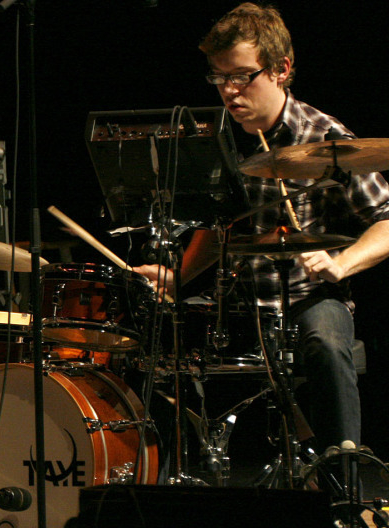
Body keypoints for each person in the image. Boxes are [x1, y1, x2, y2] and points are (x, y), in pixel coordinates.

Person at [135, 3, 389, 453]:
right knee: (148, 345)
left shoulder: (325, 137)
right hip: (235, 301)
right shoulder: (219, 137)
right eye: (219, 78)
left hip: (308, 296)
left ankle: (341, 479)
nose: (229, 92)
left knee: (328, 344)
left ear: (281, 69)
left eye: (241, 77)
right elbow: (218, 230)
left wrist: (342, 263)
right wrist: (177, 279)